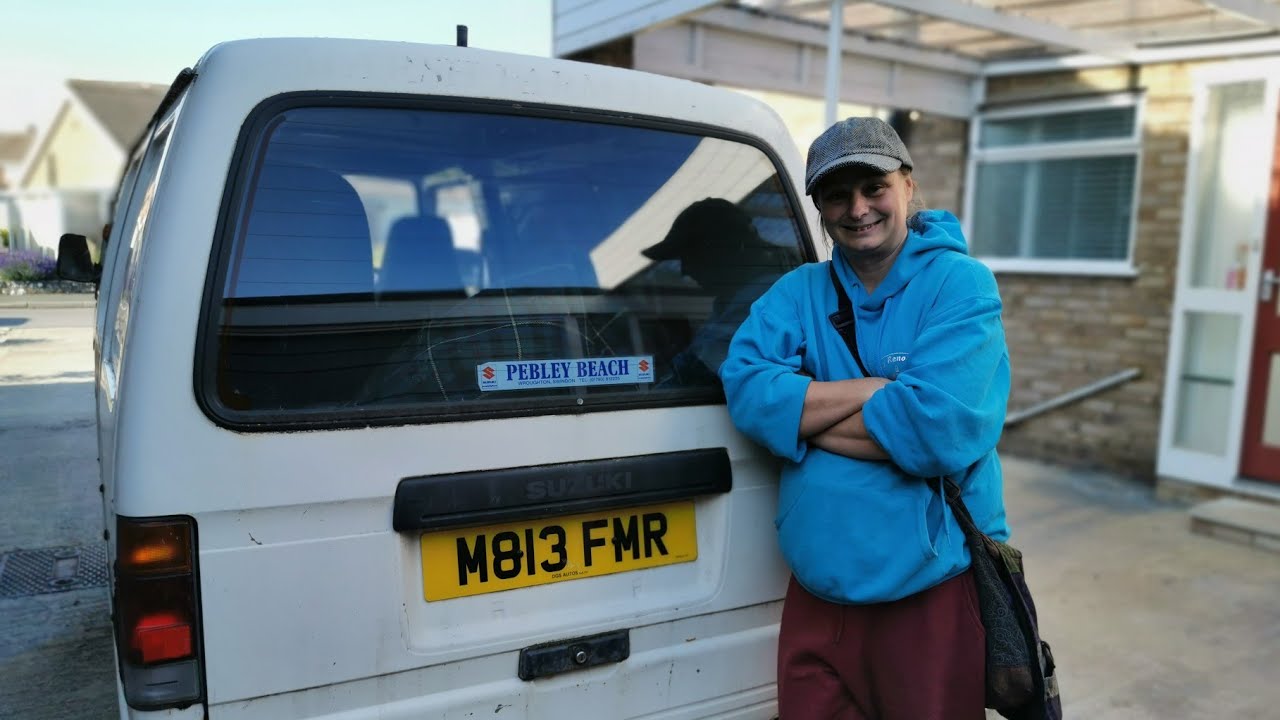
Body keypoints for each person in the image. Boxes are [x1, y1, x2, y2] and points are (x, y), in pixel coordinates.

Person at [719, 117, 1012, 719]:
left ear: (906, 185)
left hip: (926, 590)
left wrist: (802, 415)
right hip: (817, 591)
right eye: (836, 194)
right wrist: (875, 390)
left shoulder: (961, 286)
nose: (857, 209)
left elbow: (934, 431)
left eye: (872, 187)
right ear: (819, 208)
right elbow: (746, 387)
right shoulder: (798, 291)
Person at [643, 197, 797, 386]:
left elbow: (704, 373)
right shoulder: (729, 305)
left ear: (721, 249)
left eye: (688, 255)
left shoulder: (764, 304)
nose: (684, 270)